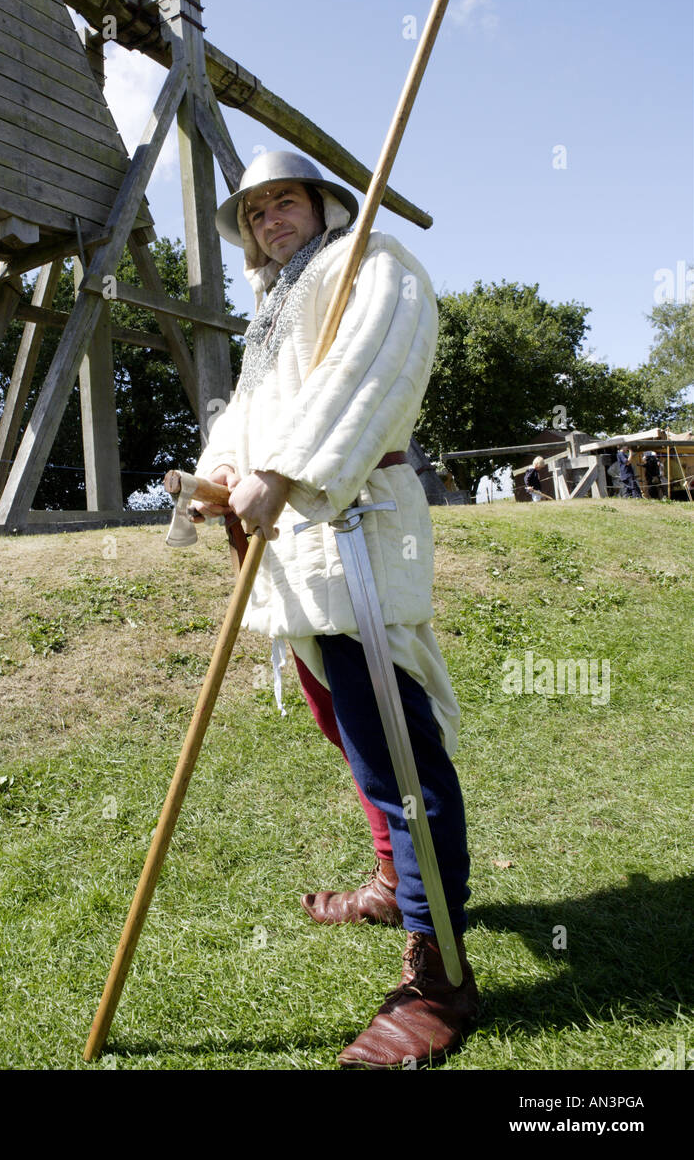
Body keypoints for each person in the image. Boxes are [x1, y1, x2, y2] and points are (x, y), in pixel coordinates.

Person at [193, 150, 476, 1069]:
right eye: (256, 212)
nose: (272, 218)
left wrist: (283, 473)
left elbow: (373, 369)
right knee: (351, 735)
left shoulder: (369, 262)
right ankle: (398, 884)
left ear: (322, 204)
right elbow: (247, 416)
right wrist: (223, 473)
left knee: (397, 745)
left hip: (356, 533)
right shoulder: (274, 315)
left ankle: (442, 976)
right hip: (290, 557)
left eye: (286, 201)